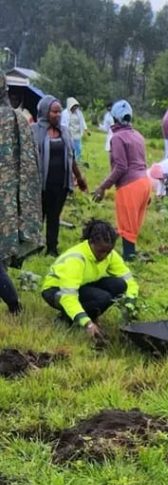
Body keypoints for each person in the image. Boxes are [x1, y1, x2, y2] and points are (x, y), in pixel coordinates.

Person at [41, 219, 137, 341]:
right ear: (91, 242)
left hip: (81, 286)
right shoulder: (76, 259)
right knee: (102, 298)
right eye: (101, 252)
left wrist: (129, 307)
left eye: (108, 252)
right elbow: (68, 296)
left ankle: (88, 316)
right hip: (56, 291)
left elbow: (129, 282)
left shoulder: (109, 254)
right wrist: (87, 323)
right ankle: (65, 319)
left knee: (119, 285)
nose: (104, 256)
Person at [0, 75, 44, 313]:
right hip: (10, 200)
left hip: (7, 198)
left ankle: (15, 305)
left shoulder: (15, 119)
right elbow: (29, 164)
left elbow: (27, 162)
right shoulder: (18, 118)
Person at [92, 100, 150, 261]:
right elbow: (142, 162)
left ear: (115, 119)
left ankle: (129, 257)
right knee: (134, 222)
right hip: (144, 182)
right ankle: (129, 254)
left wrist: (103, 187)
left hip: (130, 185)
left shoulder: (117, 138)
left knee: (126, 224)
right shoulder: (138, 135)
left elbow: (121, 167)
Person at [32, 95, 88, 256]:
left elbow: (72, 157)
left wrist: (79, 178)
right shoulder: (35, 131)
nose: (57, 115)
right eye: (53, 112)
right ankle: (34, 248)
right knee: (38, 217)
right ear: (44, 112)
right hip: (40, 184)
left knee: (54, 217)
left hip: (60, 184)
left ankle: (52, 249)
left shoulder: (64, 131)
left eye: (59, 112)